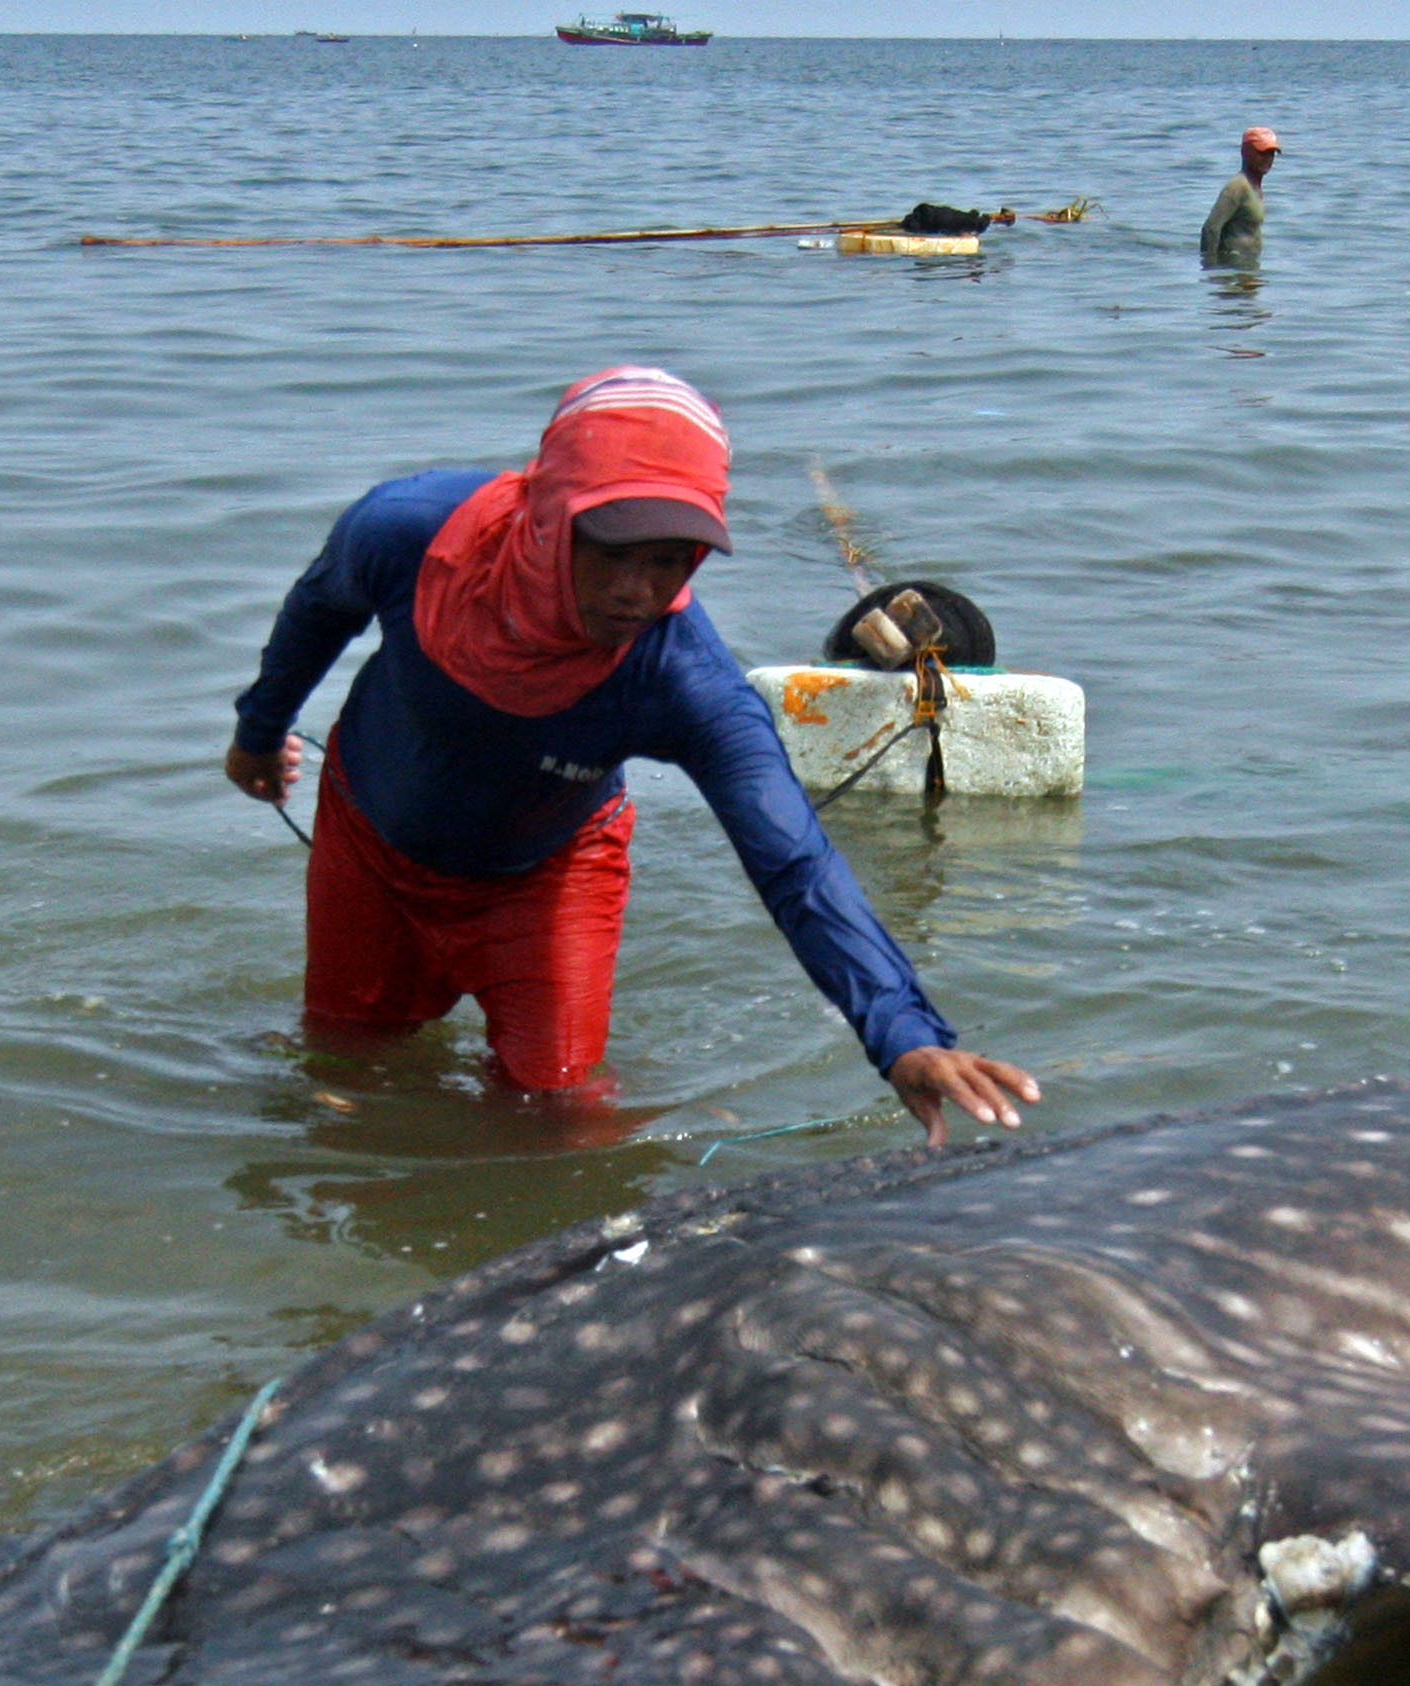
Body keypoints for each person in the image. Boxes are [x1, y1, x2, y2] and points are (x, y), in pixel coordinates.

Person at [221, 366, 1041, 1146]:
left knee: (564, 1118)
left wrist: (902, 1034)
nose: (637, 593)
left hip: (546, 873)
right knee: (345, 1070)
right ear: (550, 516)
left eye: (669, 559)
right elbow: (319, 608)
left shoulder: (683, 682)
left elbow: (794, 863)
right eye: (611, 551)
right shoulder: (407, 535)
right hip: (370, 844)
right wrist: (259, 734)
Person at [1200, 126, 1280, 270]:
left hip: (1247, 266)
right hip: (1232, 267)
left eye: (1271, 153)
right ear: (1245, 152)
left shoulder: (1254, 186)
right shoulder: (1237, 186)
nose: (1268, 159)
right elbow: (1211, 228)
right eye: (1262, 153)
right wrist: (1210, 267)